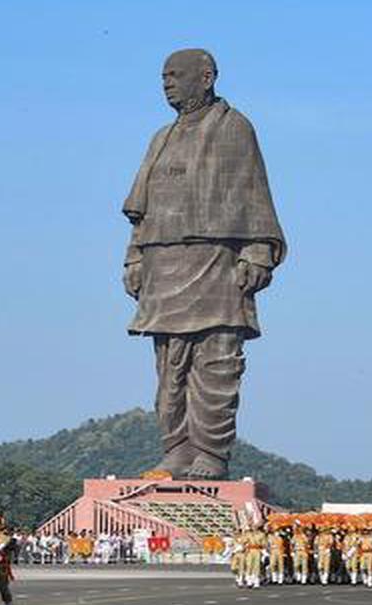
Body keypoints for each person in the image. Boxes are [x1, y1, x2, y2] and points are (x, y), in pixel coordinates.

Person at [122, 48, 287, 479]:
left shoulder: (234, 128)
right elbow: (141, 211)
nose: (167, 83)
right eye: (163, 77)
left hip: (215, 259)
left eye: (176, 75)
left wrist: (256, 251)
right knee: (169, 367)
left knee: (216, 359)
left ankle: (210, 452)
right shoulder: (161, 137)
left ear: (207, 77)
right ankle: (176, 448)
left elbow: (252, 194)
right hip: (163, 260)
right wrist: (134, 256)